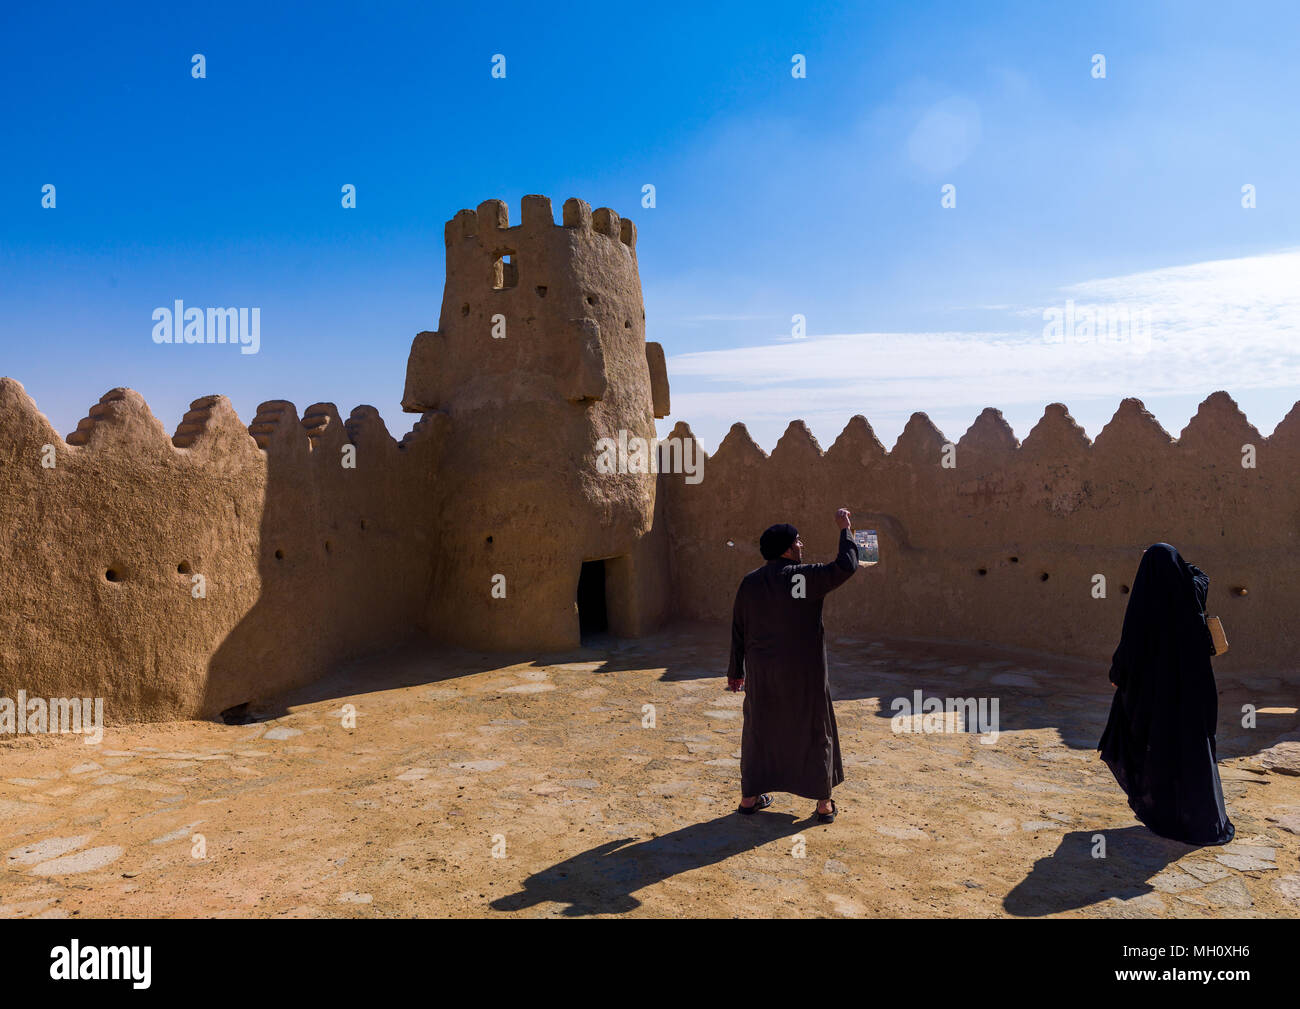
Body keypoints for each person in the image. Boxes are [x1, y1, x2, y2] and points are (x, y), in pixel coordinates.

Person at [1098, 542, 1235, 846]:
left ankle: (1168, 814)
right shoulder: (1192, 593)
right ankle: (1202, 819)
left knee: (1161, 750)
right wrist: (1172, 560)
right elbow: (1201, 575)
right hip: (1196, 695)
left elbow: (1131, 642)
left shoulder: (1148, 602)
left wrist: (1117, 676)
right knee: (1192, 752)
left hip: (1161, 698)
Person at [727, 509, 858, 823]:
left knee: (760, 728)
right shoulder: (803, 577)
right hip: (804, 673)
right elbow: (846, 565)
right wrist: (845, 530)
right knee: (814, 727)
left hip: (763, 674)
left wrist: (736, 671)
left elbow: (738, 628)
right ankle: (823, 804)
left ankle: (749, 798)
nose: (802, 545)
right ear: (787, 548)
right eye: (798, 541)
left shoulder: (751, 582)